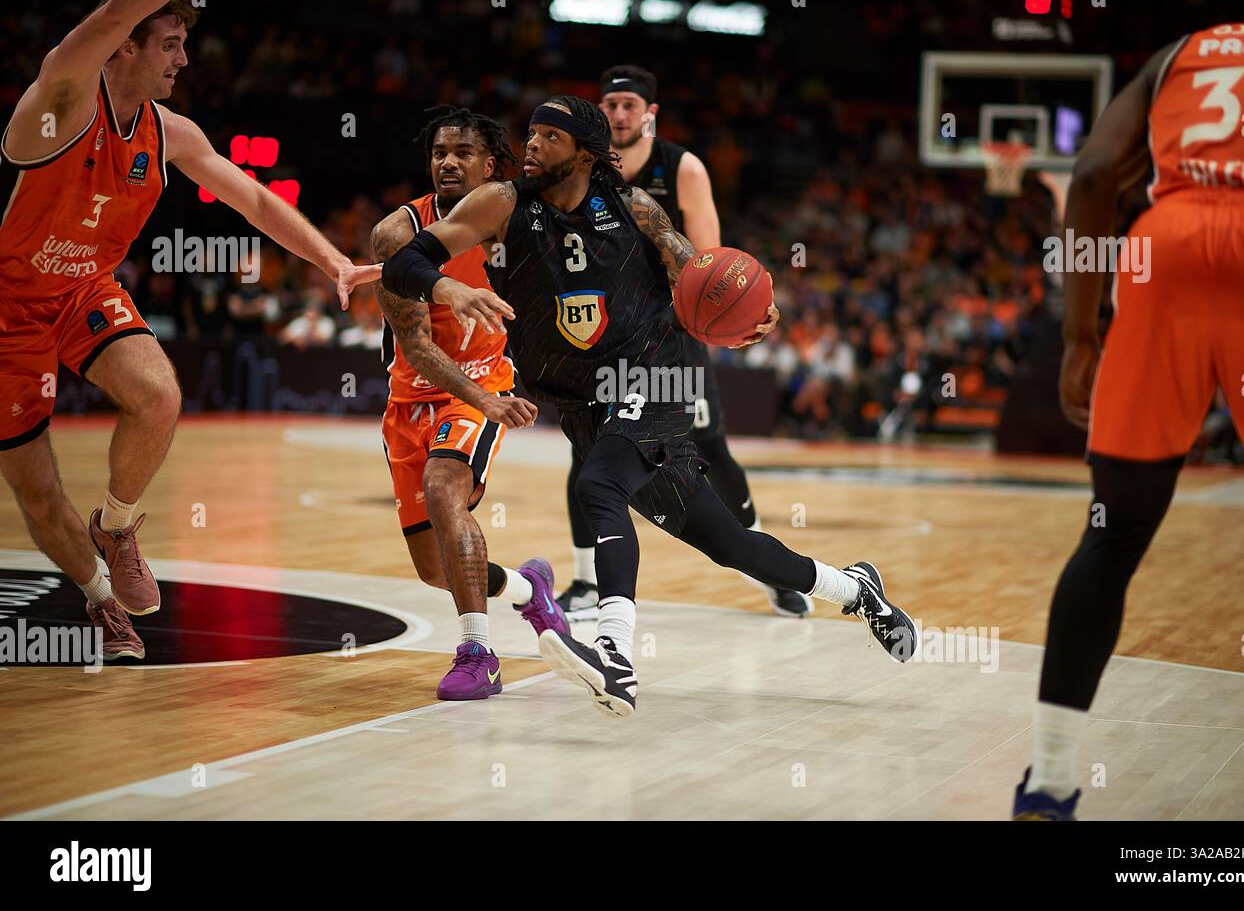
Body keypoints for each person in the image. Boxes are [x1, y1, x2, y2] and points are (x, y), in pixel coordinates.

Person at [355, 97, 918, 718]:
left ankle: (613, 653)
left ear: (585, 153)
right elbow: (404, 261)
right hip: (585, 401)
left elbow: (696, 269)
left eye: (548, 136)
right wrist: (445, 282)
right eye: (532, 134)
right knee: (732, 545)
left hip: (658, 372)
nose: (532, 145)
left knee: (599, 485)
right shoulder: (503, 204)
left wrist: (751, 310)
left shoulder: (633, 207)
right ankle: (857, 589)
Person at [0, 0, 378, 660]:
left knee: (159, 395)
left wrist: (334, 262)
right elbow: (110, 13)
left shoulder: (170, 133)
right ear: (126, 47)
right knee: (39, 494)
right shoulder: (57, 101)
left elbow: (258, 198)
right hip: (7, 306)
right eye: (169, 42)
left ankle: (115, 527)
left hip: (83, 289)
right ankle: (102, 599)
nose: (184, 57)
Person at [1014, 15, 1244, 820]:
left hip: (1164, 251)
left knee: (1111, 533)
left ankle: (1052, 781)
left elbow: (1097, 170)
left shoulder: (1178, 52)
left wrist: (1078, 333)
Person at [552, 63, 810, 620]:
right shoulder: (579, 168)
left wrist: (737, 311)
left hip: (672, 330)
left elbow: (711, 260)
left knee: (710, 449)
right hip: (603, 336)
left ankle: (770, 569)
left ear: (650, 114)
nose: (619, 114)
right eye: (611, 104)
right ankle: (584, 580)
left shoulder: (682, 166)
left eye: (629, 105)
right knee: (588, 452)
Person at [369, 105, 567, 699]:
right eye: (438, 153)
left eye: (462, 153)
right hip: (416, 399)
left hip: (482, 391)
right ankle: (533, 592)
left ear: (490, 165)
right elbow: (415, 344)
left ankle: (478, 653)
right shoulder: (397, 236)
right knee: (436, 571)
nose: (448, 162)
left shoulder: (522, 226)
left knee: (444, 486)